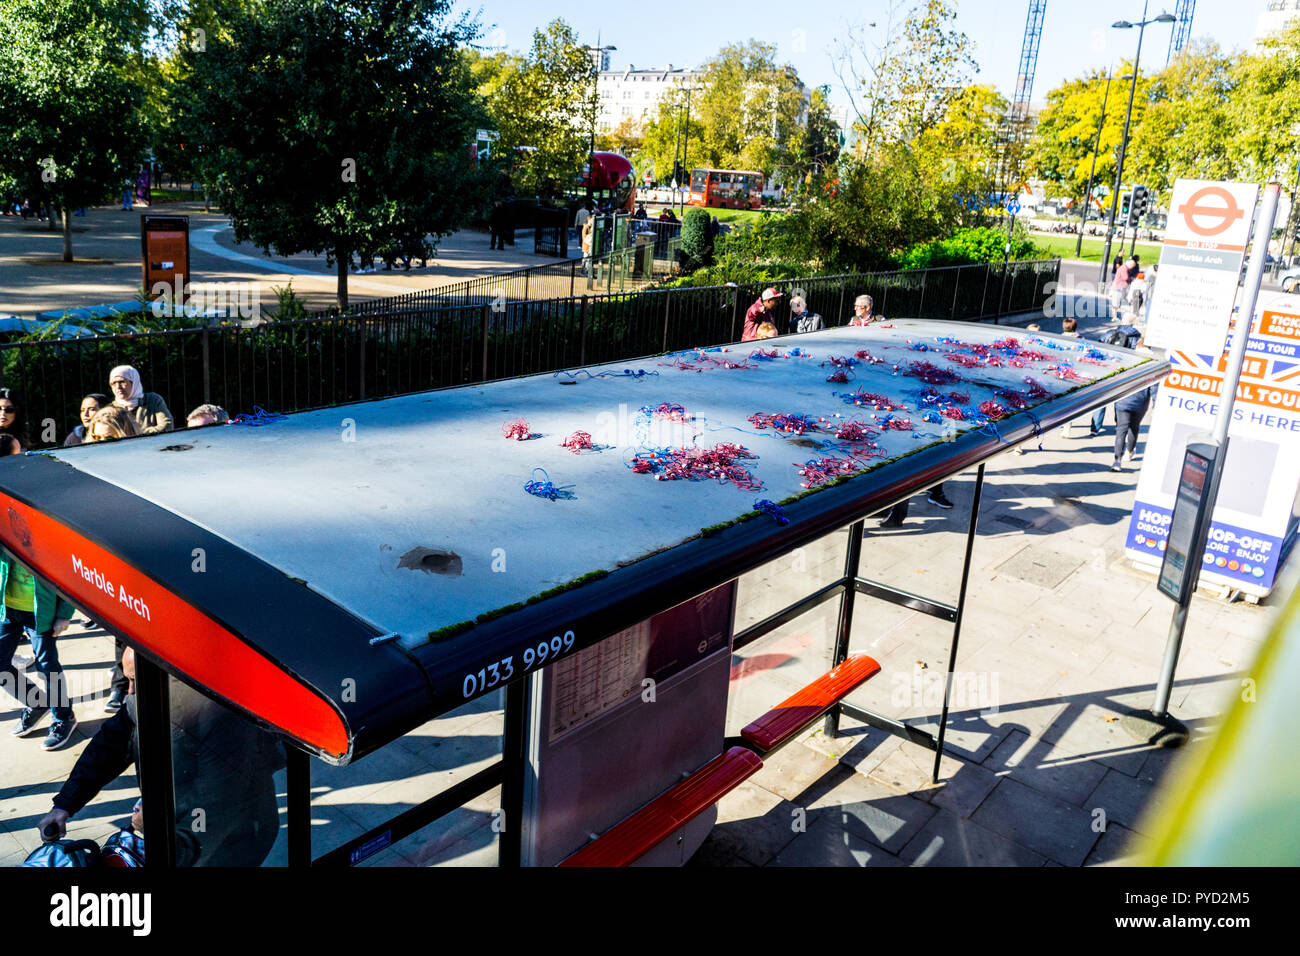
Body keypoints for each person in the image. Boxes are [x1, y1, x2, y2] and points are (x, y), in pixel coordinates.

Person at [38, 646, 282, 866]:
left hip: (232, 841)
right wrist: (65, 804)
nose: (130, 690)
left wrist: (157, 827)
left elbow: (215, 808)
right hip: (179, 823)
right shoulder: (145, 697)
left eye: (134, 680)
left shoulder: (220, 720)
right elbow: (109, 745)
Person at [1, 546, 79, 750]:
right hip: (7, 608)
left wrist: (65, 612)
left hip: (40, 613)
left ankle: (63, 717)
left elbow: (68, 569)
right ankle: (36, 703)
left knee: (47, 667)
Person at [108, 365, 172, 434]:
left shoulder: (152, 400)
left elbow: (167, 426)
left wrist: (137, 434)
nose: (118, 387)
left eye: (122, 381)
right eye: (113, 383)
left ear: (134, 381)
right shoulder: (112, 409)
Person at [1112, 377, 1156, 471]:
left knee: (1121, 431)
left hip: (1123, 401)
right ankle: (1129, 452)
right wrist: (1155, 405)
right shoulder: (1151, 371)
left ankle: (1117, 461)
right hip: (1140, 404)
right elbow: (1154, 388)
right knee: (1134, 428)